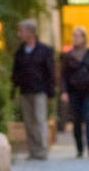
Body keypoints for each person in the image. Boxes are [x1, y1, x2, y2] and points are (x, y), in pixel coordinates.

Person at [10, 19, 55, 160]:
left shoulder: (44, 50)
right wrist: (13, 89)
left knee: (40, 121)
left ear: (31, 32)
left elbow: (50, 72)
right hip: (24, 91)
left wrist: (51, 91)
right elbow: (15, 72)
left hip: (40, 91)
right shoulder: (20, 51)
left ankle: (42, 150)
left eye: (21, 31)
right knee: (29, 122)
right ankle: (33, 151)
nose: (19, 34)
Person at [60, 26, 89, 158]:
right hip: (74, 92)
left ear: (84, 38)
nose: (75, 38)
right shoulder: (68, 56)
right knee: (76, 121)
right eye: (74, 35)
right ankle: (79, 148)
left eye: (78, 35)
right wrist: (64, 92)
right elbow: (64, 76)